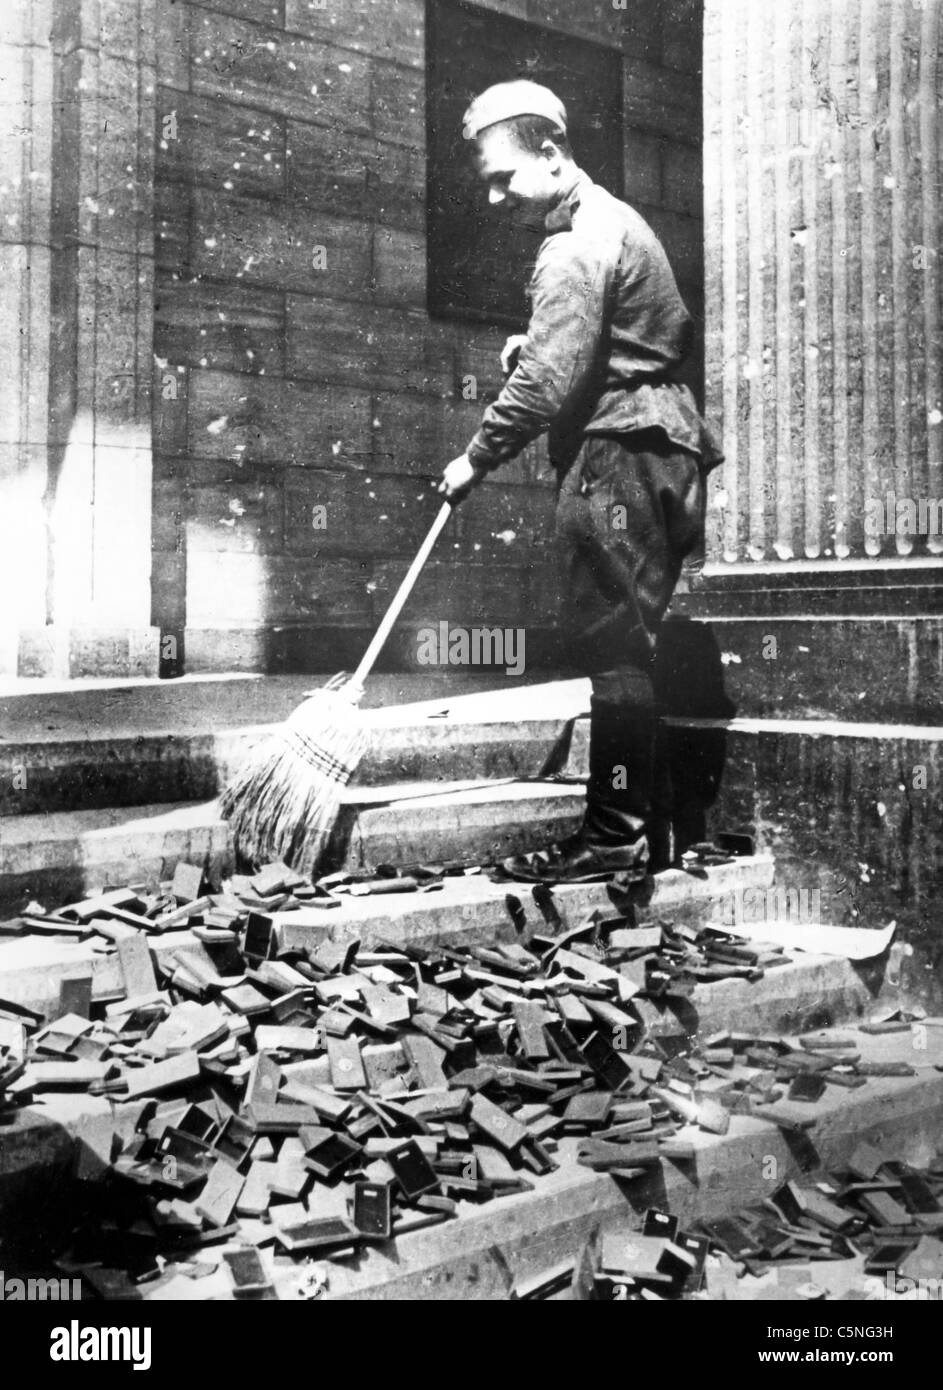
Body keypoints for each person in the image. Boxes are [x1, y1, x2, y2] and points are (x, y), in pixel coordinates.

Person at [438, 80, 723, 883]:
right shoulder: (615, 222)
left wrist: (476, 457)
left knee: (611, 643)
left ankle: (610, 835)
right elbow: (625, 336)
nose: (495, 198)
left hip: (616, 457)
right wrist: (535, 340)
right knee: (633, 636)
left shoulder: (571, 245)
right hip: (658, 447)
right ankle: (648, 827)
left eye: (506, 178)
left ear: (553, 154)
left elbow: (545, 386)